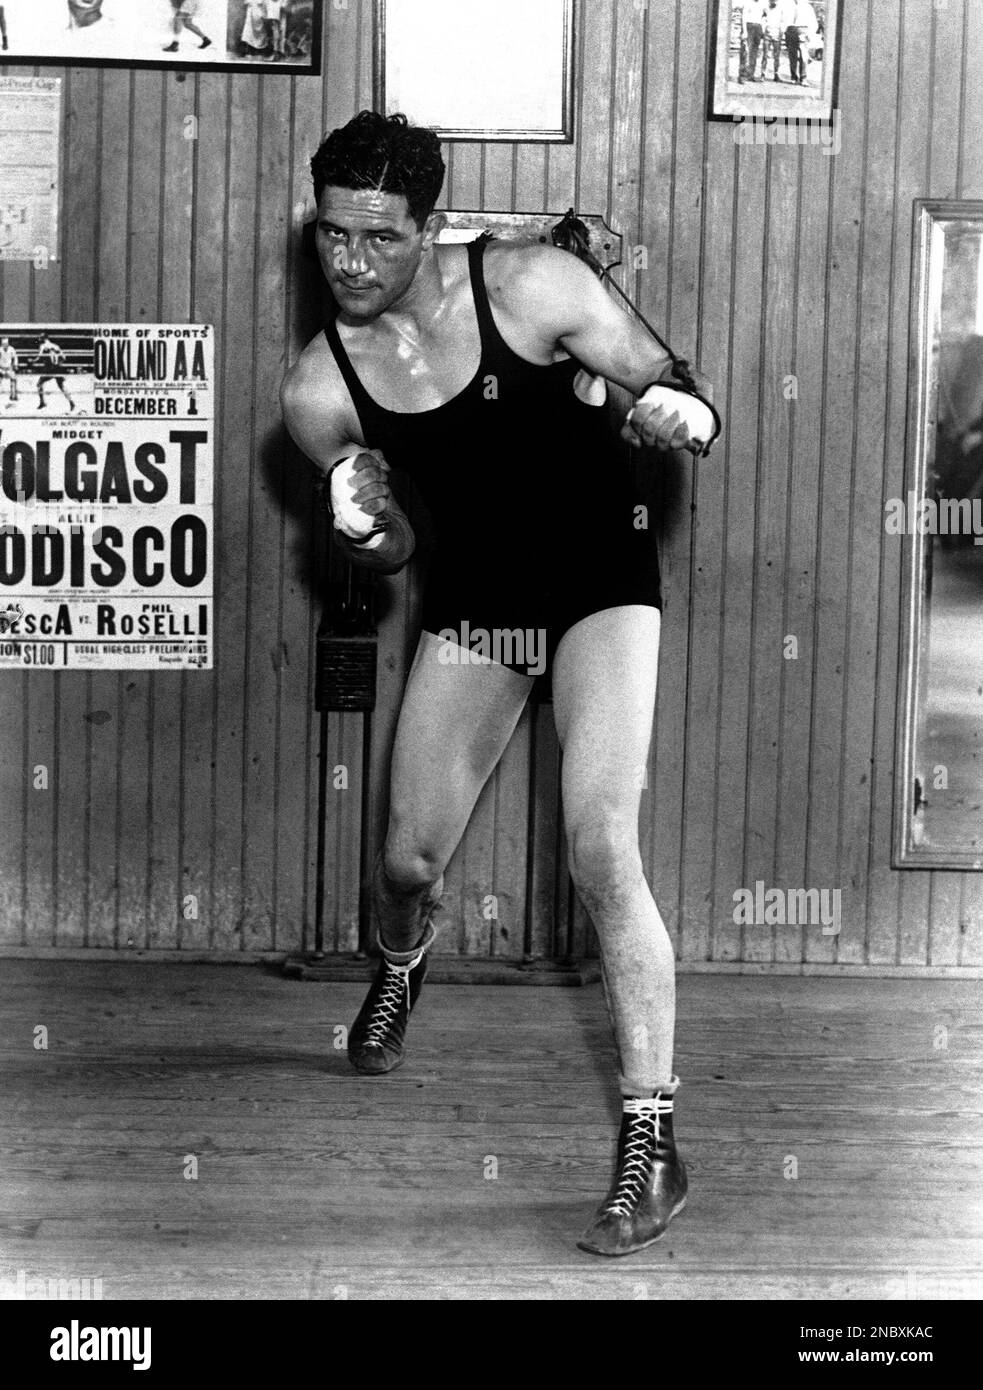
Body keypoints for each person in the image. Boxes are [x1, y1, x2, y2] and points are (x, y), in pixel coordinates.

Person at [280, 111, 718, 1257]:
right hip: (477, 607)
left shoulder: (528, 286)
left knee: (599, 844)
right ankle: (400, 967)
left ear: (430, 226)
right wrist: (360, 527)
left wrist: (681, 410)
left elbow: (666, 380)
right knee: (403, 861)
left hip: (597, 585)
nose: (350, 262)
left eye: (378, 237)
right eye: (331, 235)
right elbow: (394, 554)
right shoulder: (319, 387)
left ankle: (650, 1141)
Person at [34, 334, 76, 412]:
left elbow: (39, 357)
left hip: (49, 369)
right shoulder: (56, 346)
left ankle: (42, 402)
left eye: (40, 338)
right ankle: (71, 402)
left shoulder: (43, 346)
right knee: (62, 386)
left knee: (39, 384)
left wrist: (32, 361)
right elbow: (64, 357)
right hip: (57, 368)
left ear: (44, 339)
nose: (39, 340)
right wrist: (58, 364)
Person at [761, 0, 784, 81]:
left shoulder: (781, 9)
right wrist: (764, 30)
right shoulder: (765, 9)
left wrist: (781, 32)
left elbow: (783, 22)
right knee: (765, 55)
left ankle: (776, 74)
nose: (773, 2)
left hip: (777, 35)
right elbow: (763, 20)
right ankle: (763, 74)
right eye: (771, 1)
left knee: (777, 56)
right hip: (767, 34)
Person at [0, 337, 18, 406]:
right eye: (3, 343)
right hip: (1, 368)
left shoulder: (11, 349)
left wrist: (15, 365)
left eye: (6, 343)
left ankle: (13, 395)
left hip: (9, 368)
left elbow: (15, 358)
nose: (5, 345)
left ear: (8, 343)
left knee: (14, 379)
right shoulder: (0, 349)